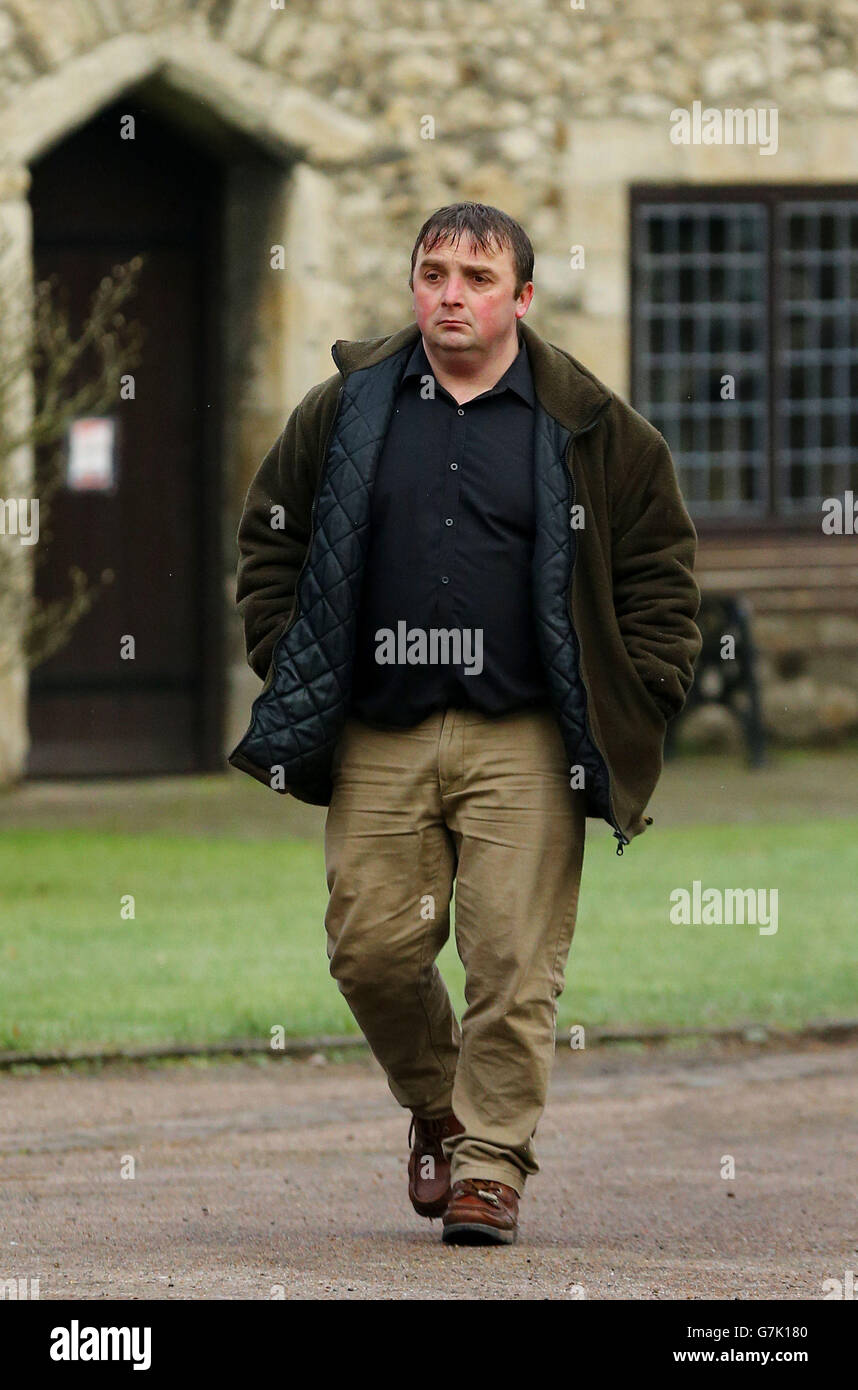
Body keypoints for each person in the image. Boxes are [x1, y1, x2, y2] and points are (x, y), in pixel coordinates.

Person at [229, 202, 702, 1245]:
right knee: (369, 950)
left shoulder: (591, 424)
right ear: (414, 287)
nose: (452, 292)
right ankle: (441, 1110)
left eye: (478, 278)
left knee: (512, 963)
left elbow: (661, 571)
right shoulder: (346, 409)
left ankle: (490, 1167)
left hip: (523, 732)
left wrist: (645, 689)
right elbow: (271, 540)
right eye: (434, 272)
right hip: (381, 730)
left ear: (521, 298)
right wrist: (293, 657)